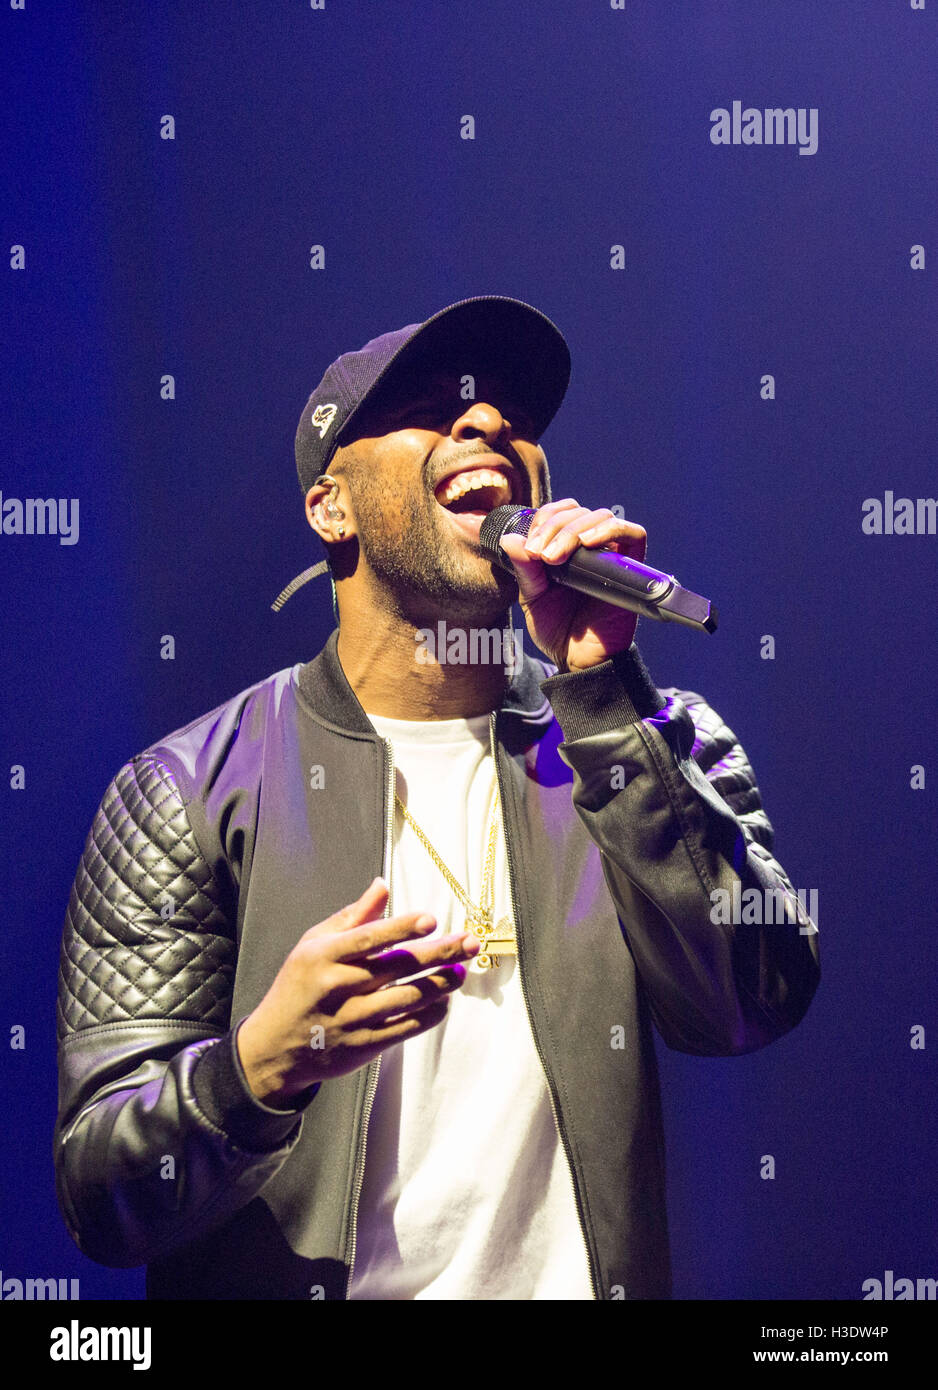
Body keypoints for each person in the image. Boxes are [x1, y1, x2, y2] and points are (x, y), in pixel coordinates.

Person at [54, 295, 819, 1300]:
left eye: (510, 415)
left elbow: (749, 1001)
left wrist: (600, 694)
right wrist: (251, 1074)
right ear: (330, 506)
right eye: (427, 403)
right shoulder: (186, 792)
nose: (486, 422)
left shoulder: (637, 736)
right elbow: (102, 1194)